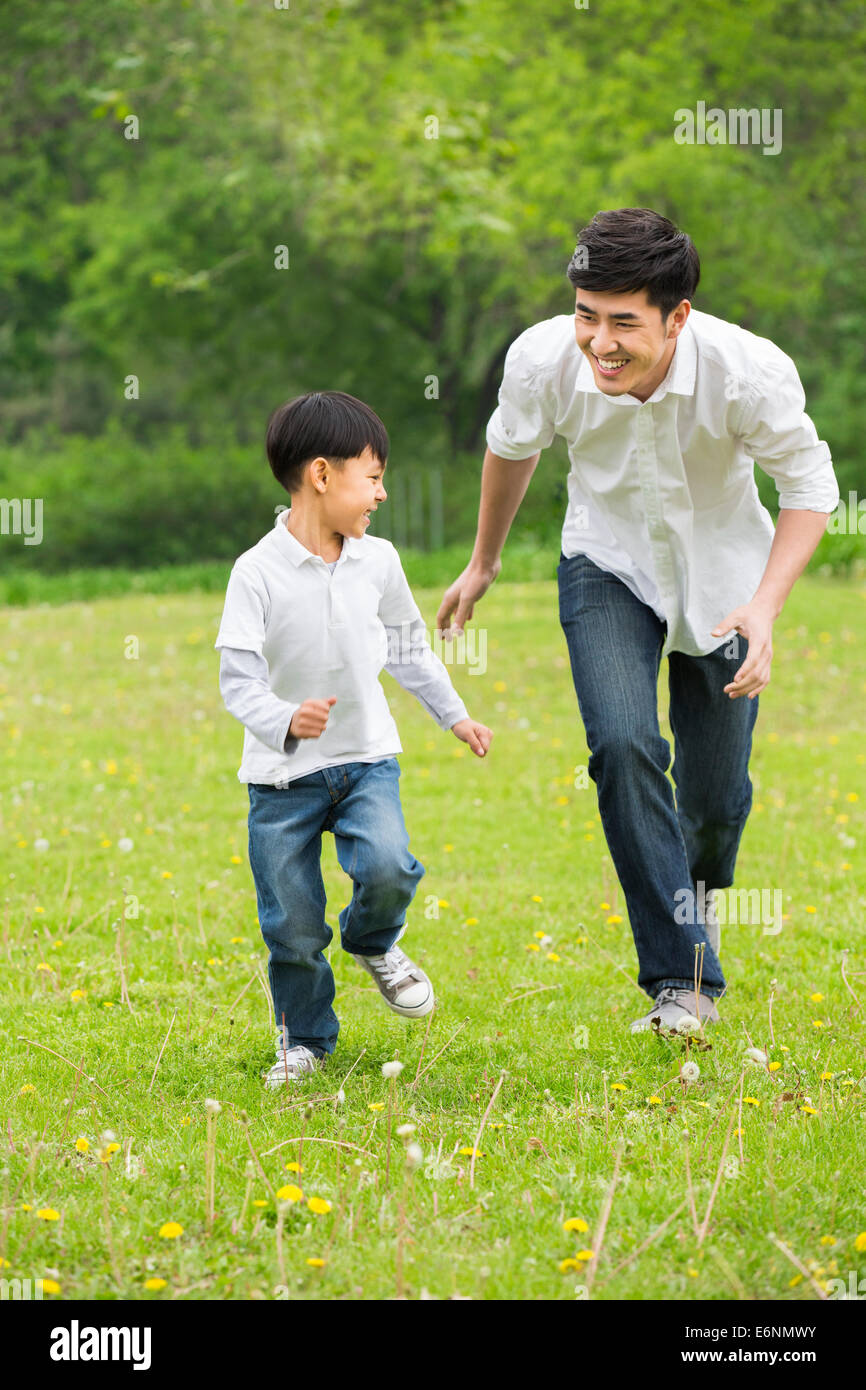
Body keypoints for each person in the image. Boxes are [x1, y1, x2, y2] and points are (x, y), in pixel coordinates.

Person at [436, 207, 839, 1035]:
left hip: (727, 579)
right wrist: (484, 562)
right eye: (588, 313)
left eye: (625, 321)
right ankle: (681, 980)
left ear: (677, 317)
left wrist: (765, 608)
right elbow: (513, 447)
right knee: (622, 745)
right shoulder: (543, 360)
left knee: (717, 796)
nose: (600, 341)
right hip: (607, 564)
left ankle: (698, 897)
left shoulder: (747, 373)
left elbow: (809, 487)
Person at [215, 390, 493, 1087]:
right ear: (320, 475)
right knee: (294, 927)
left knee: (391, 866)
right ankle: (305, 1042)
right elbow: (237, 680)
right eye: (371, 477)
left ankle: (375, 940)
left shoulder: (379, 560)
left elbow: (408, 648)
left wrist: (453, 715)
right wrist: (283, 718)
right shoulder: (257, 572)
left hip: (366, 760)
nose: (381, 492)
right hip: (282, 781)